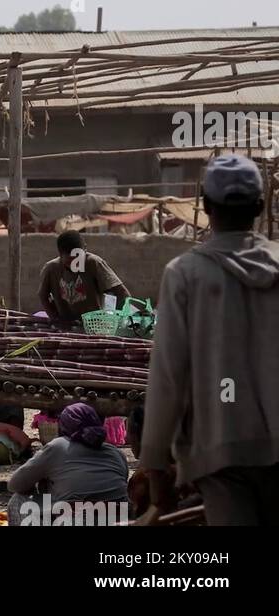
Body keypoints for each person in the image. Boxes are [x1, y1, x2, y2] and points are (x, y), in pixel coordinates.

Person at [141, 155, 279, 526]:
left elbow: (168, 378)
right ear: (260, 207)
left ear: (205, 207)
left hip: (220, 449)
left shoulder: (185, 274)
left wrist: (155, 466)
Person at [7, 403, 128, 526]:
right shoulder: (116, 453)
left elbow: (14, 484)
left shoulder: (58, 446)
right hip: (119, 520)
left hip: (77, 521)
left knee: (18, 500)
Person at [37, 230, 131, 323]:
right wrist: (55, 318)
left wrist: (118, 321)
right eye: (70, 261)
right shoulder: (51, 269)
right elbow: (43, 296)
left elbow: (122, 293)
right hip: (66, 326)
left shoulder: (93, 263)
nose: (75, 265)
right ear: (60, 255)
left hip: (94, 325)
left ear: (85, 249)